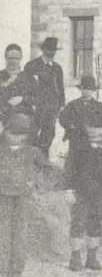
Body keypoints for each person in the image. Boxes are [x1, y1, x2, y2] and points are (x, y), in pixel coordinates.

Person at [0, 114, 52, 277]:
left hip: (23, 197)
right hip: (3, 196)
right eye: (12, 132)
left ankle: (16, 269)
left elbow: (46, 169)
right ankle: (3, 268)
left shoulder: (34, 152)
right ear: (5, 132)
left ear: (27, 135)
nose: (15, 137)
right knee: (3, 232)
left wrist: (34, 180)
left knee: (20, 233)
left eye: (20, 133)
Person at [64, 125, 102, 271]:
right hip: (82, 192)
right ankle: (75, 257)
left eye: (99, 128)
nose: (94, 132)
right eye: (90, 128)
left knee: (95, 222)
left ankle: (92, 257)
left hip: (101, 192)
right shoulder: (78, 147)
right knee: (78, 222)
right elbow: (69, 168)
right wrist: (69, 189)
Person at [58, 76, 102, 175]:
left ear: (93, 91)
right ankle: (72, 183)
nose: (86, 91)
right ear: (81, 89)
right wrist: (71, 126)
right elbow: (63, 118)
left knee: (91, 160)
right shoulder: (72, 105)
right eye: (84, 88)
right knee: (74, 160)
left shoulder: (98, 106)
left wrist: (96, 128)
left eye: (89, 89)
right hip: (76, 137)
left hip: (92, 138)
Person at [24, 37, 64, 155]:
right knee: (33, 134)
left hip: (52, 108)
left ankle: (43, 159)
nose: (51, 52)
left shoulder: (57, 68)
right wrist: (29, 104)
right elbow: (26, 87)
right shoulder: (32, 66)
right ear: (43, 49)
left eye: (54, 50)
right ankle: (32, 161)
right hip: (36, 107)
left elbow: (61, 89)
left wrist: (60, 105)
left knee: (49, 134)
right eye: (49, 49)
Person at [0, 45, 35, 122]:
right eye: (10, 58)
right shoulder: (1, 75)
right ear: (5, 57)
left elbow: (37, 98)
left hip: (24, 121)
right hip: (3, 121)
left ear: (21, 58)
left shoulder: (28, 76)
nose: (14, 61)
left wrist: (22, 99)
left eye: (17, 58)